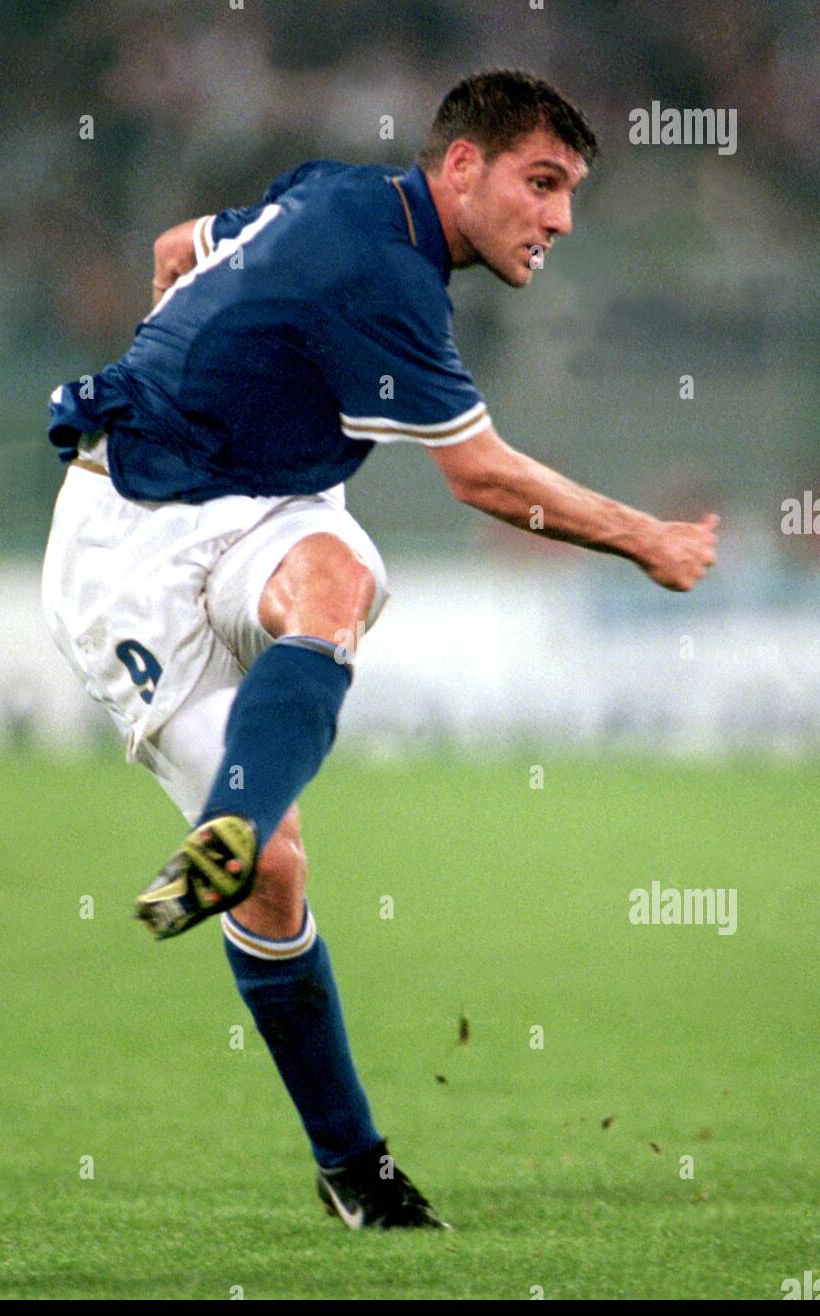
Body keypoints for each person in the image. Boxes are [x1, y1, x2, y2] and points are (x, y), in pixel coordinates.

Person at [41, 70, 718, 1231]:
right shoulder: (385, 270)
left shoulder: (333, 192)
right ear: (463, 167)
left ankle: (234, 816)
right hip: (128, 544)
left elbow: (171, 247)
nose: (558, 219)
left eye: (569, 194)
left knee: (337, 579)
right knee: (280, 875)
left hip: (262, 499)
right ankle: (354, 1168)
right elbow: (484, 477)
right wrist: (644, 536)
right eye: (541, 183)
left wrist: (184, 355)